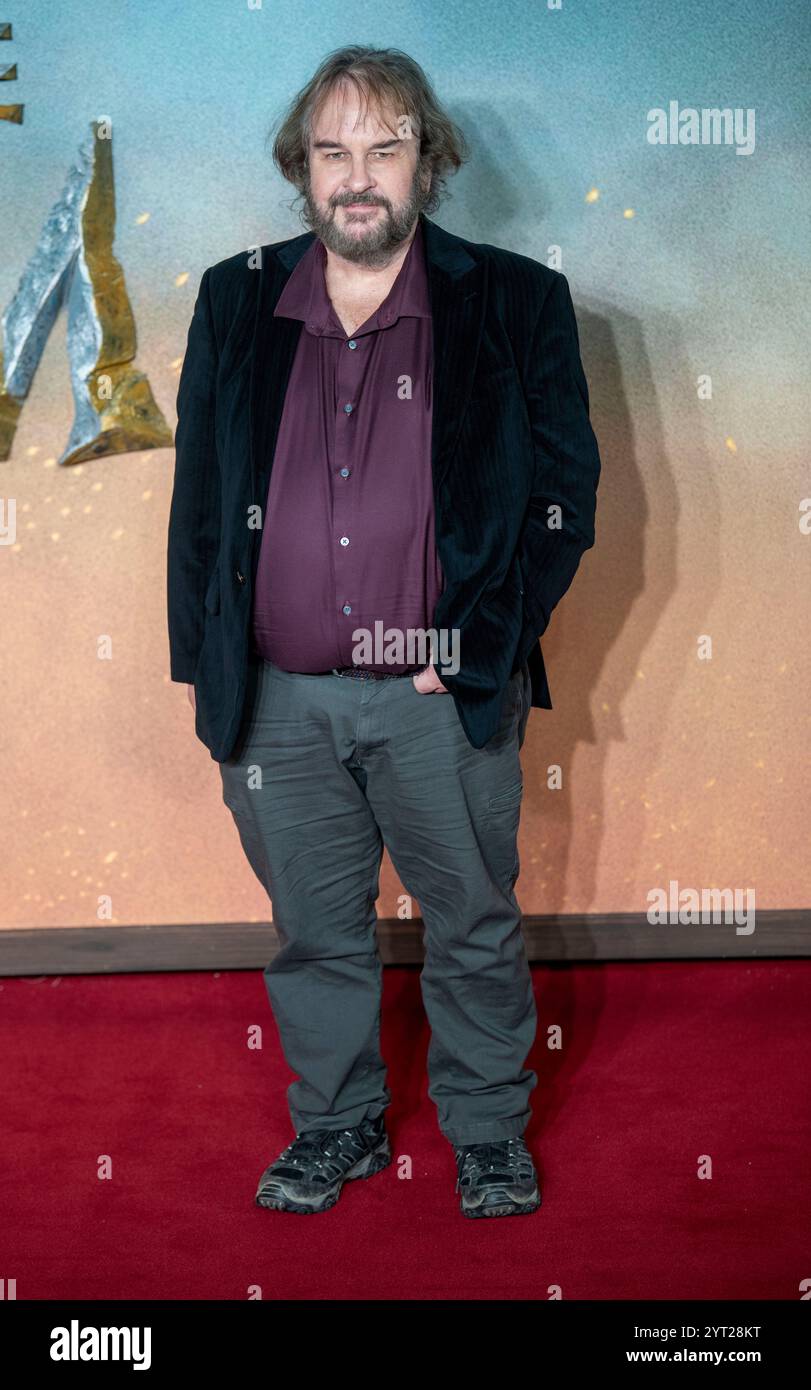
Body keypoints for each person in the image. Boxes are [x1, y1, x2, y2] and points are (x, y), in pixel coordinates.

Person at [167, 45, 601, 1219]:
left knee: (470, 921)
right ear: (301, 168)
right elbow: (201, 506)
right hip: (278, 697)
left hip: (438, 697)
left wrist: (481, 640)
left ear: (427, 160)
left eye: (384, 146)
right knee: (313, 933)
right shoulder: (235, 295)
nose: (358, 176)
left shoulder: (513, 300)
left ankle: (487, 1128)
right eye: (332, 150)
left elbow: (564, 499)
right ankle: (340, 1125)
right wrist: (209, 674)